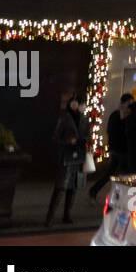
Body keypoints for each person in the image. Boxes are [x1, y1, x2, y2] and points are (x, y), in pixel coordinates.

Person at [46, 92, 86, 227]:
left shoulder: (83, 119)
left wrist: (84, 141)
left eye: (77, 102)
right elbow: (55, 138)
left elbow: (86, 135)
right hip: (66, 157)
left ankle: (67, 215)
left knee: (73, 187)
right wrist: (68, 142)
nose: (75, 105)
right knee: (60, 187)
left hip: (78, 156)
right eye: (72, 102)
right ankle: (50, 217)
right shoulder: (64, 118)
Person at [89, 93, 132, 201]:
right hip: (121, 149)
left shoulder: (115, 114)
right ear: (125, 103)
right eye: (130, 103)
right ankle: (119, 198)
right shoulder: (121, 115)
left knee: (110, 173)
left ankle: (94, 191)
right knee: (123, 174)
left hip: (115, 149)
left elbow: (109, 131)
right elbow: (119, 131)